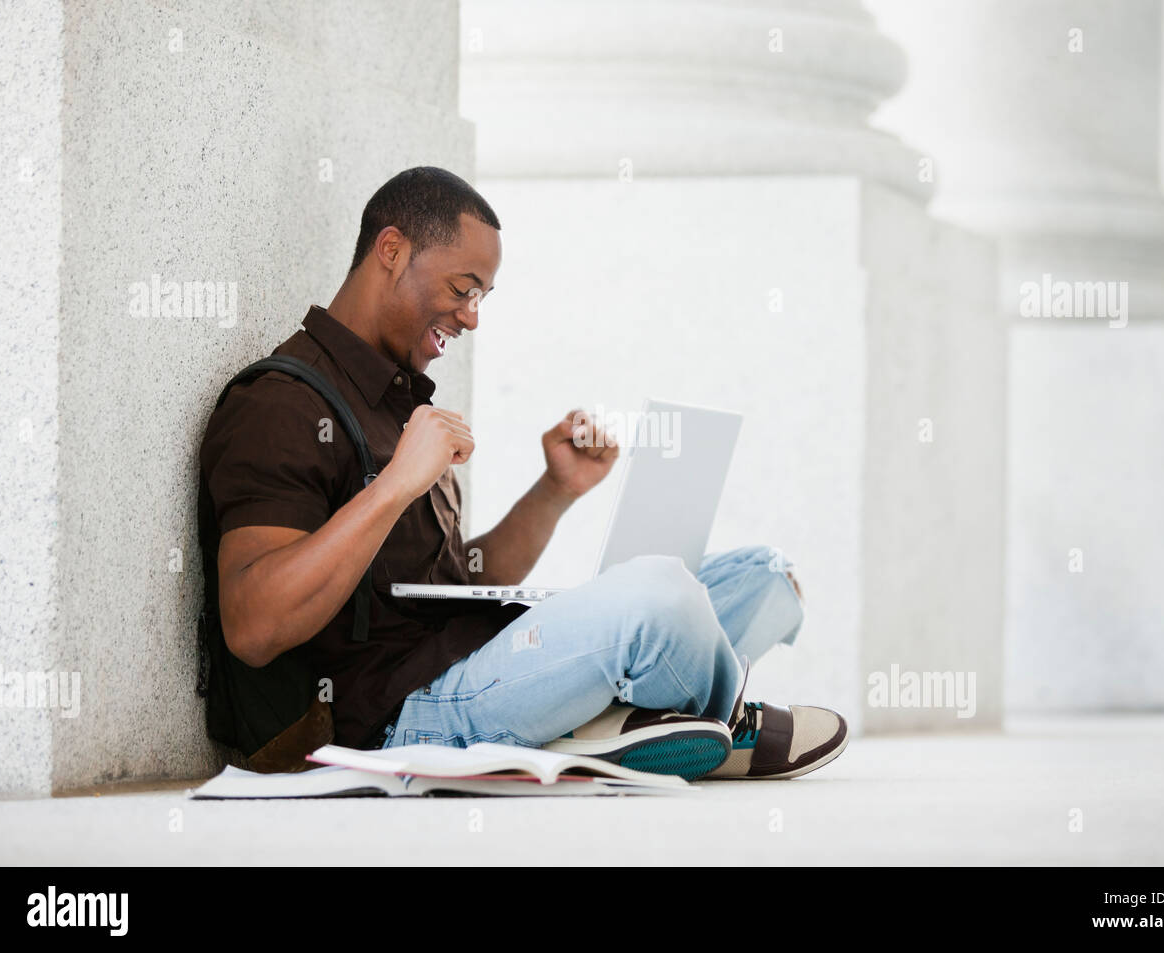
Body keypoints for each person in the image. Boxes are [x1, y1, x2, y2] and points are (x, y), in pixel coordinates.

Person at [199, 167, 848, 780]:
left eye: (482, 296)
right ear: (391, 250)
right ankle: (714, 719)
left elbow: (460, 586)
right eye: (463, 289)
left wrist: (555, 490)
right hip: (392, 722)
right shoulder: (283, 403)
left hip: (468, 666)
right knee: (663, 598)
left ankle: (638, 719)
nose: (473, 316)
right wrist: (396, 484)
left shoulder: (400, 405)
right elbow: (255, 627)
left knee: (765, 577)